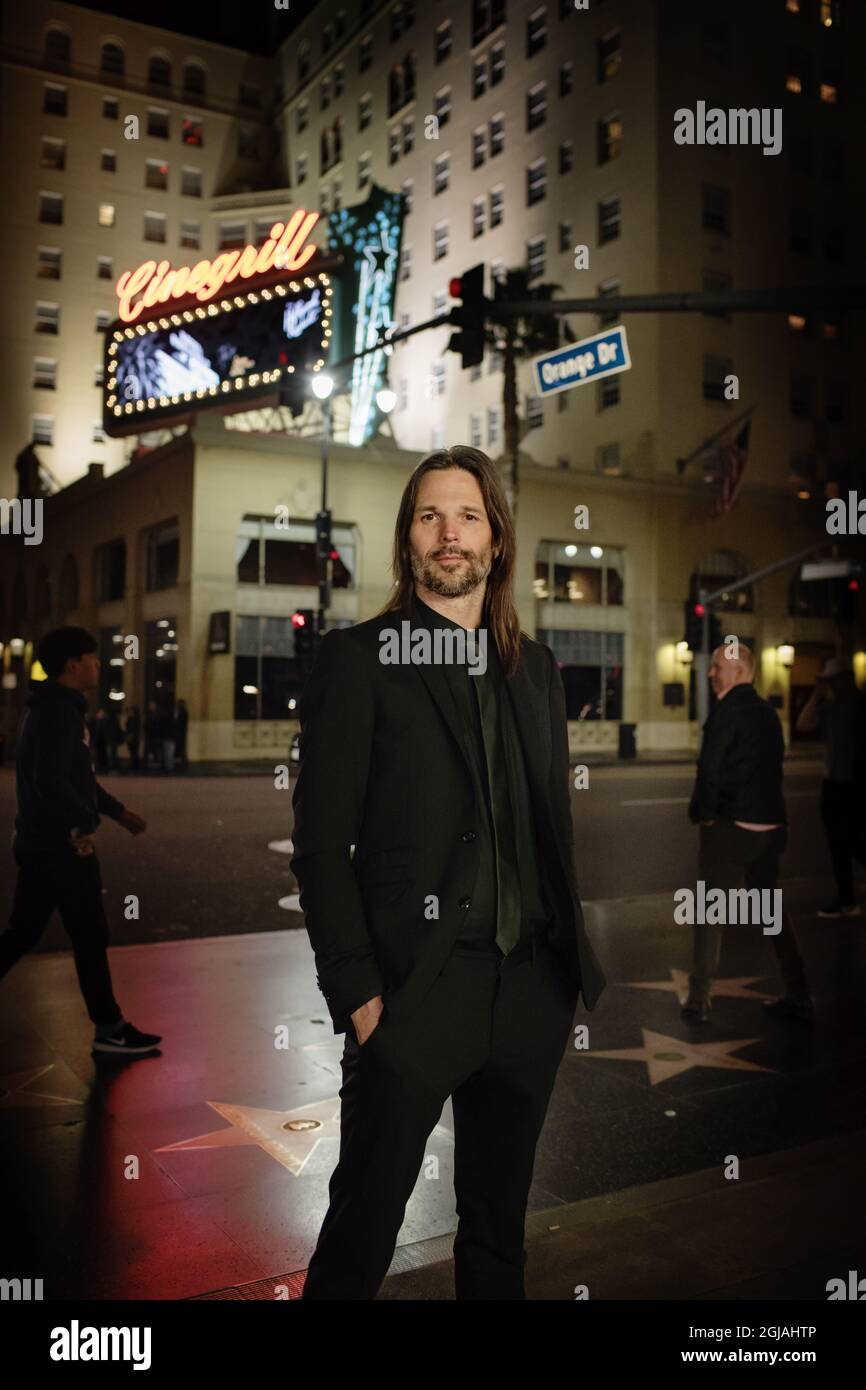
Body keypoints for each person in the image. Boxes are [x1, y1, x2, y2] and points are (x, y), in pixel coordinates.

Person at [291, 446, 606, 1300]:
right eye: (430, 516)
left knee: (500, 1241)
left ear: (496, 539)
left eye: (467, 515)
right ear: (409, 540)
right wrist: (359, 995)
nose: (449, 533)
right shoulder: (359, 660)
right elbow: (320, 848)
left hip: (529, 994)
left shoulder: (534, 670)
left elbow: (554, 832)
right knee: (360, 1236)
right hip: (413, 997)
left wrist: (563, 975)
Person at [0, 627, 162, 1056]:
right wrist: (80, 827)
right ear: (73, 665)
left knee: (26, 931)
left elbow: (78, 779)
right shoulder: (58, 712)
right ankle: (109, 1028)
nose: (97, 665)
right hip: (62, 848)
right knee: (87, 933)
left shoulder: (56, 708)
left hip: (44, 844)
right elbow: (51, 780)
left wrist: (118, 812)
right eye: (91, 658)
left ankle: (109, 1025)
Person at [685, 643, 813, 1023]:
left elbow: (709, 773)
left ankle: (698, 999)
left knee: (709, 909)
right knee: (772, 910)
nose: (711, 674)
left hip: (733, 828)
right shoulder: (770, 715)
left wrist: (703, 816)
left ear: (740, 671)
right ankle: (798, 990)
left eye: (719, 667)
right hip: (772, 829)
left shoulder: (724, 713)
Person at [796, 658, 866, 917]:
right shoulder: (831, 706)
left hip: (853, 784)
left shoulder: (859, 705)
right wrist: (816, 694)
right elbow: (803, 724)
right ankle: (847, 900)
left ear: (846, 678)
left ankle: (847, 900)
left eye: (832, 679)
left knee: (853, 841)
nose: (830, 684)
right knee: (840, 844)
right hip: (833, 784)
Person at [124, 705, 141, 772]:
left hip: (133, 738)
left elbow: (132, 729)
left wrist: (130, 736)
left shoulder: (133, 719)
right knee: (134, 753)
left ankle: (135, 766)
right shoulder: (135, 719)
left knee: (134, 752)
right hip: (133, 738)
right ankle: (135, 766)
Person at [174, 699, 189, 769]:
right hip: (181, 731)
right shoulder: (183, 712)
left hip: (180, 731)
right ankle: (181, 759)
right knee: (181, 745)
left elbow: (180, 723)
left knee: (181, 745)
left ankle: (181, 759)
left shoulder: (182, 712)